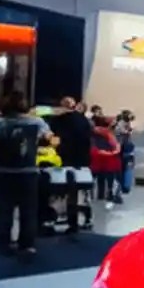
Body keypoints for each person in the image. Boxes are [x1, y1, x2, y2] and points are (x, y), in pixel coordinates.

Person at [0, 91, 52, 258]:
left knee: (2, 211)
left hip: (0, 172)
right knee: (28, 211)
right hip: (27, 172)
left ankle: (2, 244)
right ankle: (27, 246)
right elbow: (49, 137)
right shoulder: (36, 122)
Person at [45, 96, 94, 233]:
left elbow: (53, 139)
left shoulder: (56, 120)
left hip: (61, 160)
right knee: (78, 194)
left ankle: (54, 220)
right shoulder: (83, 120)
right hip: (81, 163)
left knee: (57, 192)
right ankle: (76, 222)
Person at [89, 116, 123, 204]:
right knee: (110, 179)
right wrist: (113, 152)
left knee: (94, 178)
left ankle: (93, 196)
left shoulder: (93, 132)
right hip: (109, 159)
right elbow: (116, 146)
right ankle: (110, 194)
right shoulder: (110, 134)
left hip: (95, 158)